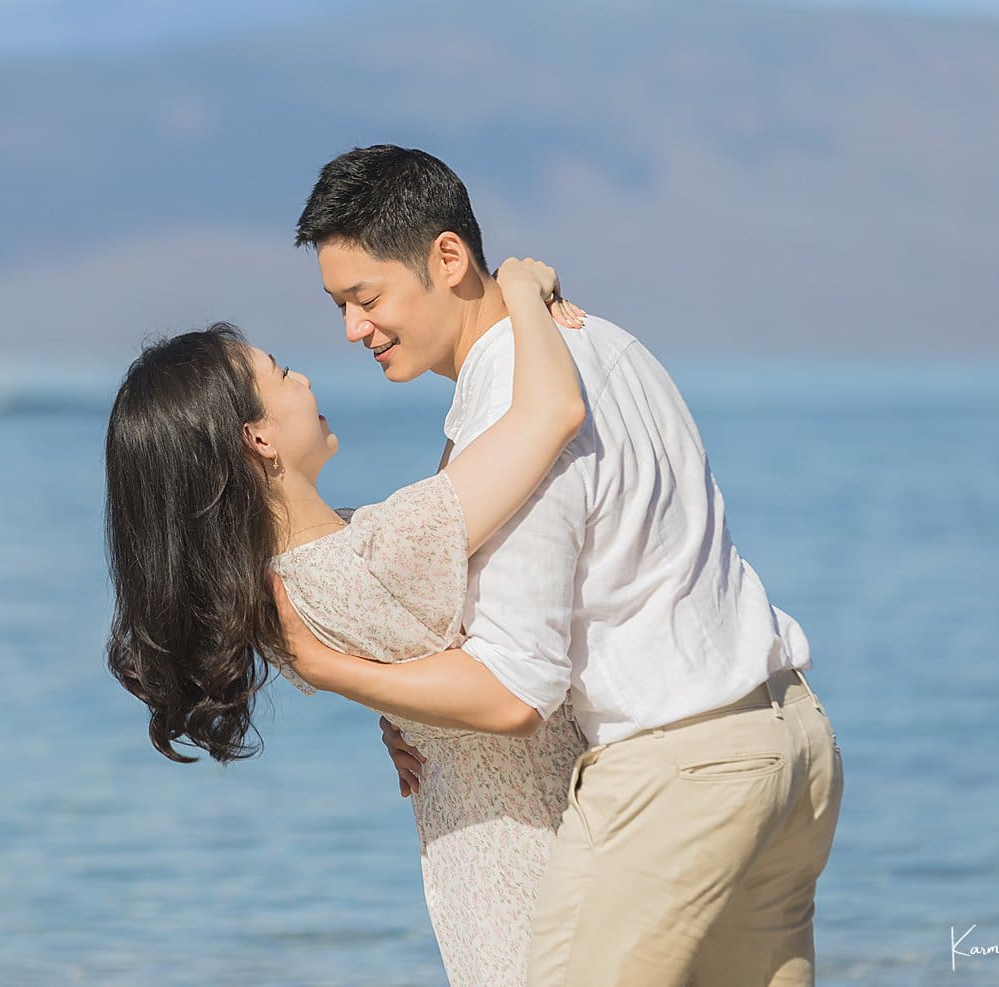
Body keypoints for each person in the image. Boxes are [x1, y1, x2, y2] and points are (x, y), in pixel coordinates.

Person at [274, 144, 844, 986]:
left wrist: (329, 666)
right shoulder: (599, 337)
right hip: (791, 741)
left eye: (365, 298)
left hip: (679, 773)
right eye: (340, 305)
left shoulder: (514, 402)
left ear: (448, 257)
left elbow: (515, 689)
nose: (352, 329)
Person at [103, 252, 594, 985]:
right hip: (543, 882)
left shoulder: (289, 586)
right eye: (279, 372)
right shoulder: (381, 548)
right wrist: (521, 290)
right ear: (258, 438)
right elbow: (554, 411)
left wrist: (376, 696)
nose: (303, 379)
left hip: (481, 883)